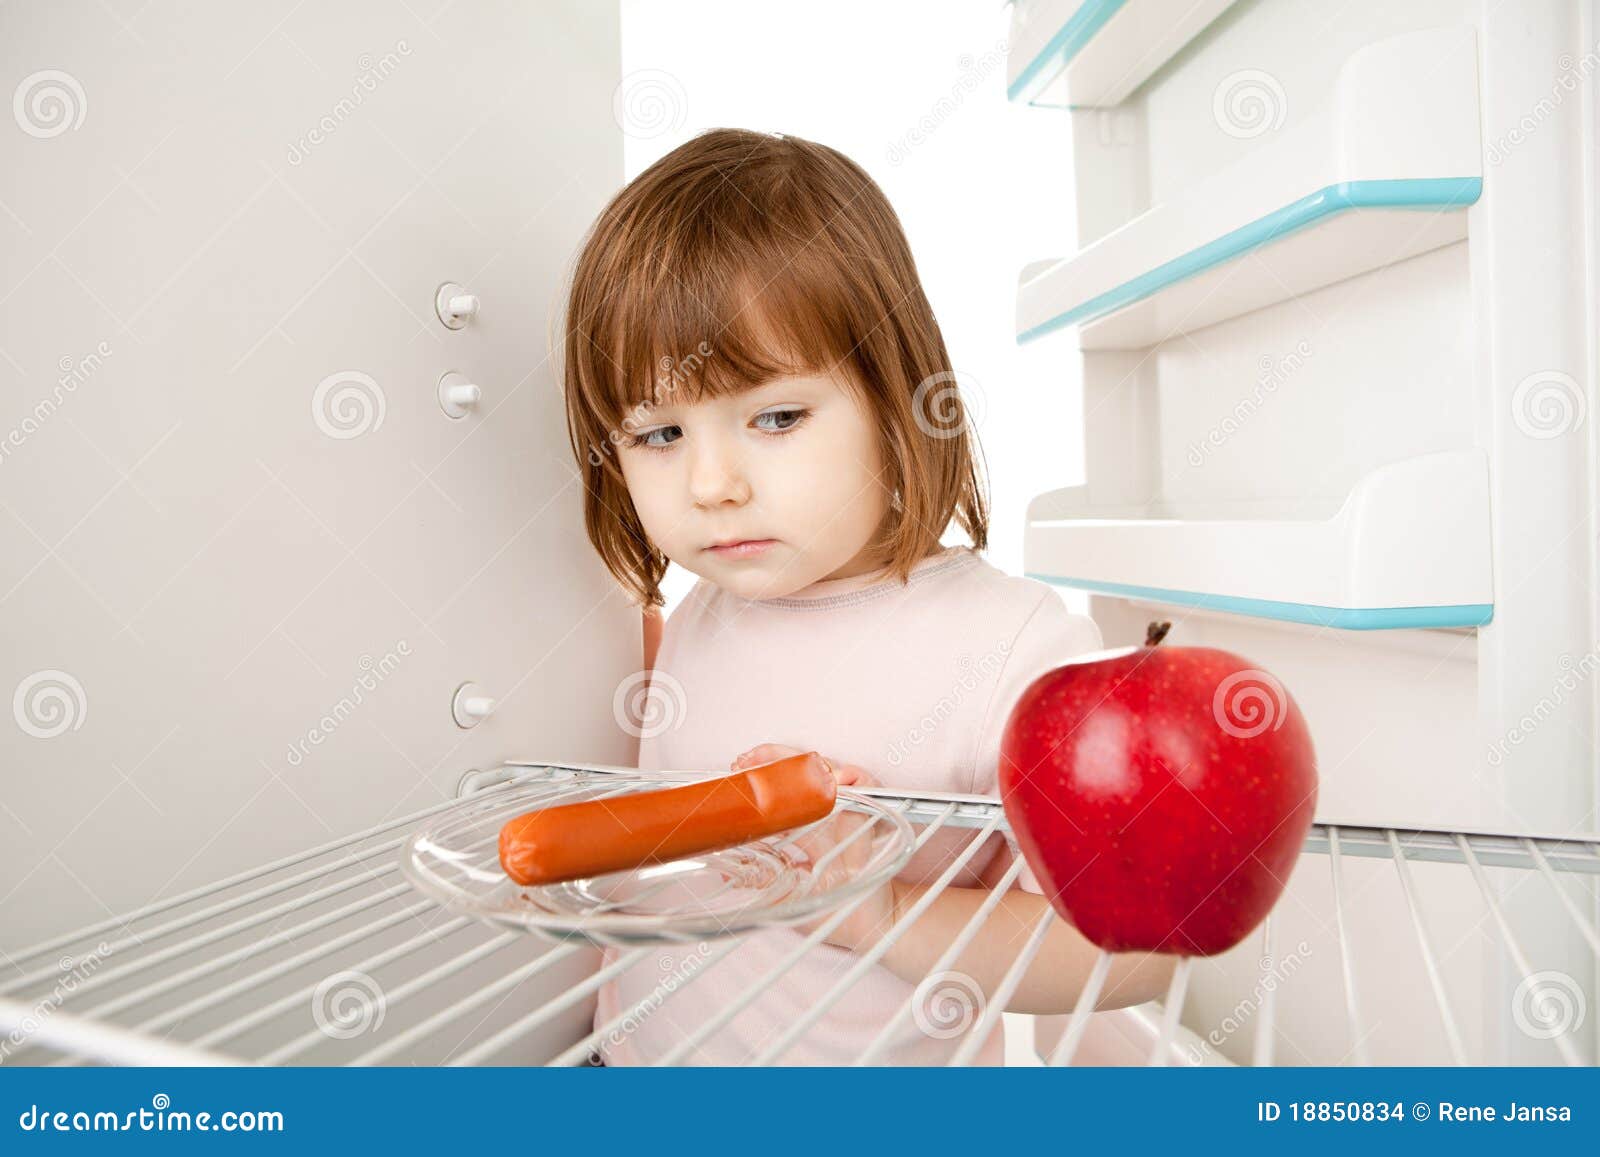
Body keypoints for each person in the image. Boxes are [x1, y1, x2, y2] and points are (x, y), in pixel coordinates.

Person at [559, 127, 1174, 1065]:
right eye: (657, 434)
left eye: (775, 417)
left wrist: (882, 909)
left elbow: (1133, 952)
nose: (711, 484)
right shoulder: (700, 608)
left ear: (895, 397)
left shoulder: (1009, 646)